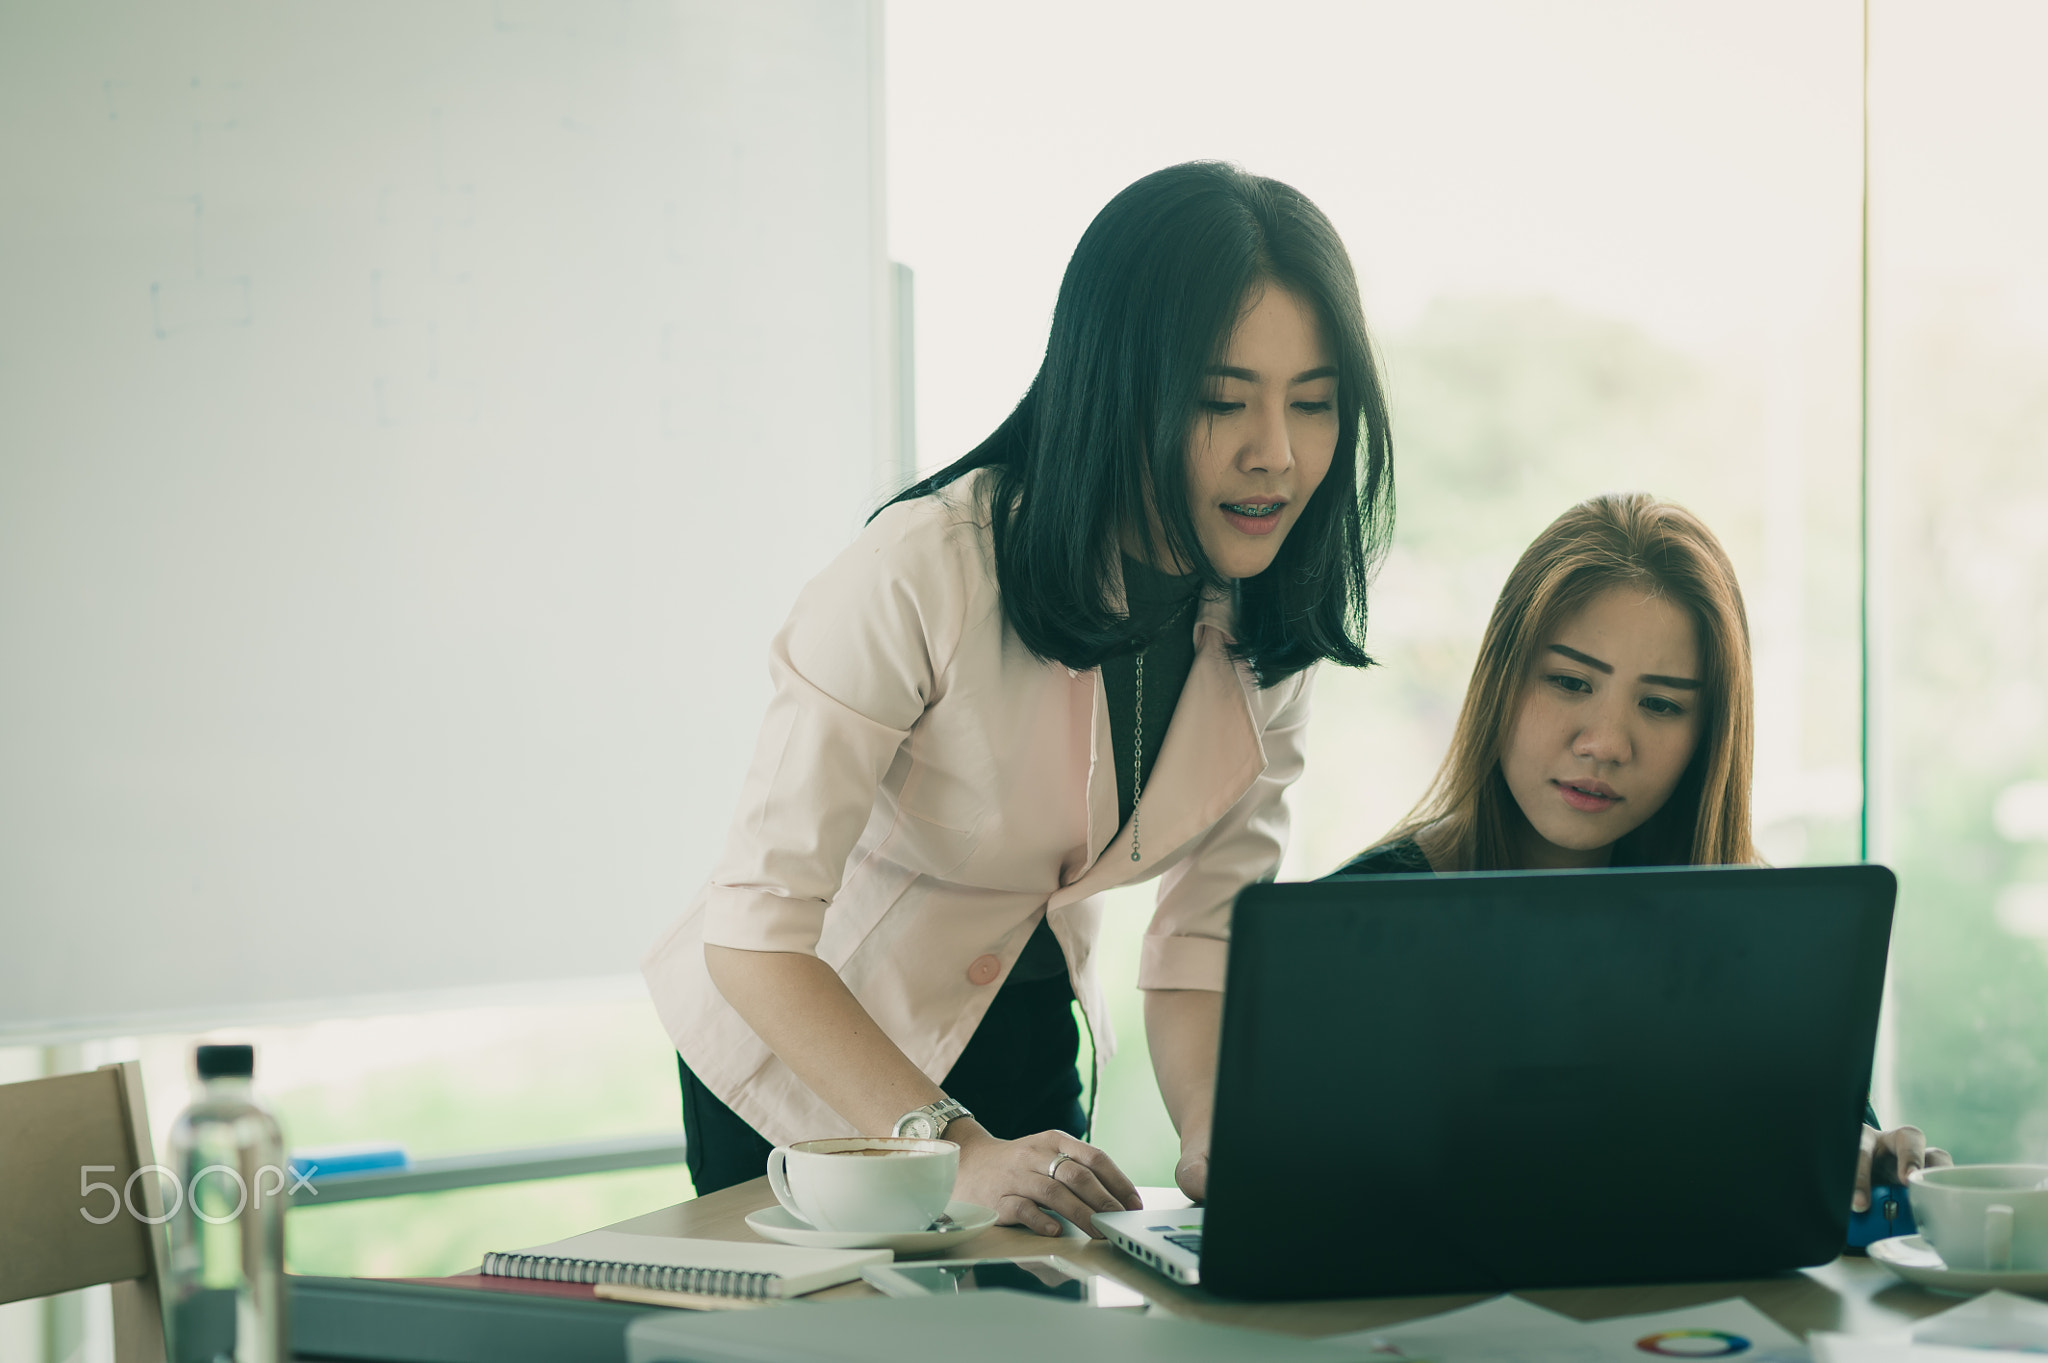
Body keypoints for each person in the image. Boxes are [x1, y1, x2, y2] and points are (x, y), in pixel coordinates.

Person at [642, 161, 1394, 1236]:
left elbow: (1203, 939)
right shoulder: (920, 568)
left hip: (1026, 1015)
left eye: (1312, 403)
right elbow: (754, 932)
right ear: (1115, 382)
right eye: (1220, 399)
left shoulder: (1267, 623)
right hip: (811, 1053)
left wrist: (1212, 1137)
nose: (1273, 453)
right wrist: (951, 1149)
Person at [1328, 492, 1948, 1215]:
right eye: (1569, 682)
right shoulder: (1355, 923)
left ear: (1706, 736)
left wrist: (1868, 1162)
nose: (1607, 743)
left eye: (1660, 704)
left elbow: (1817, 1154)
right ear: (1501, 680)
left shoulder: (1756, 933)